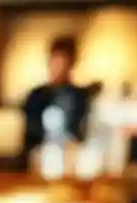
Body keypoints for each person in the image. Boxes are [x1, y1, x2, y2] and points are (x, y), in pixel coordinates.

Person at [21, 36, 95, 166]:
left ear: (71, 65)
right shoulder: (36, 96)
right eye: (55, 62)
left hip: (73, 154)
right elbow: (30, 133)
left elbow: (85, 129)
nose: (57, 68)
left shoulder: (80, 96)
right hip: (41, 152)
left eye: (63, 63)